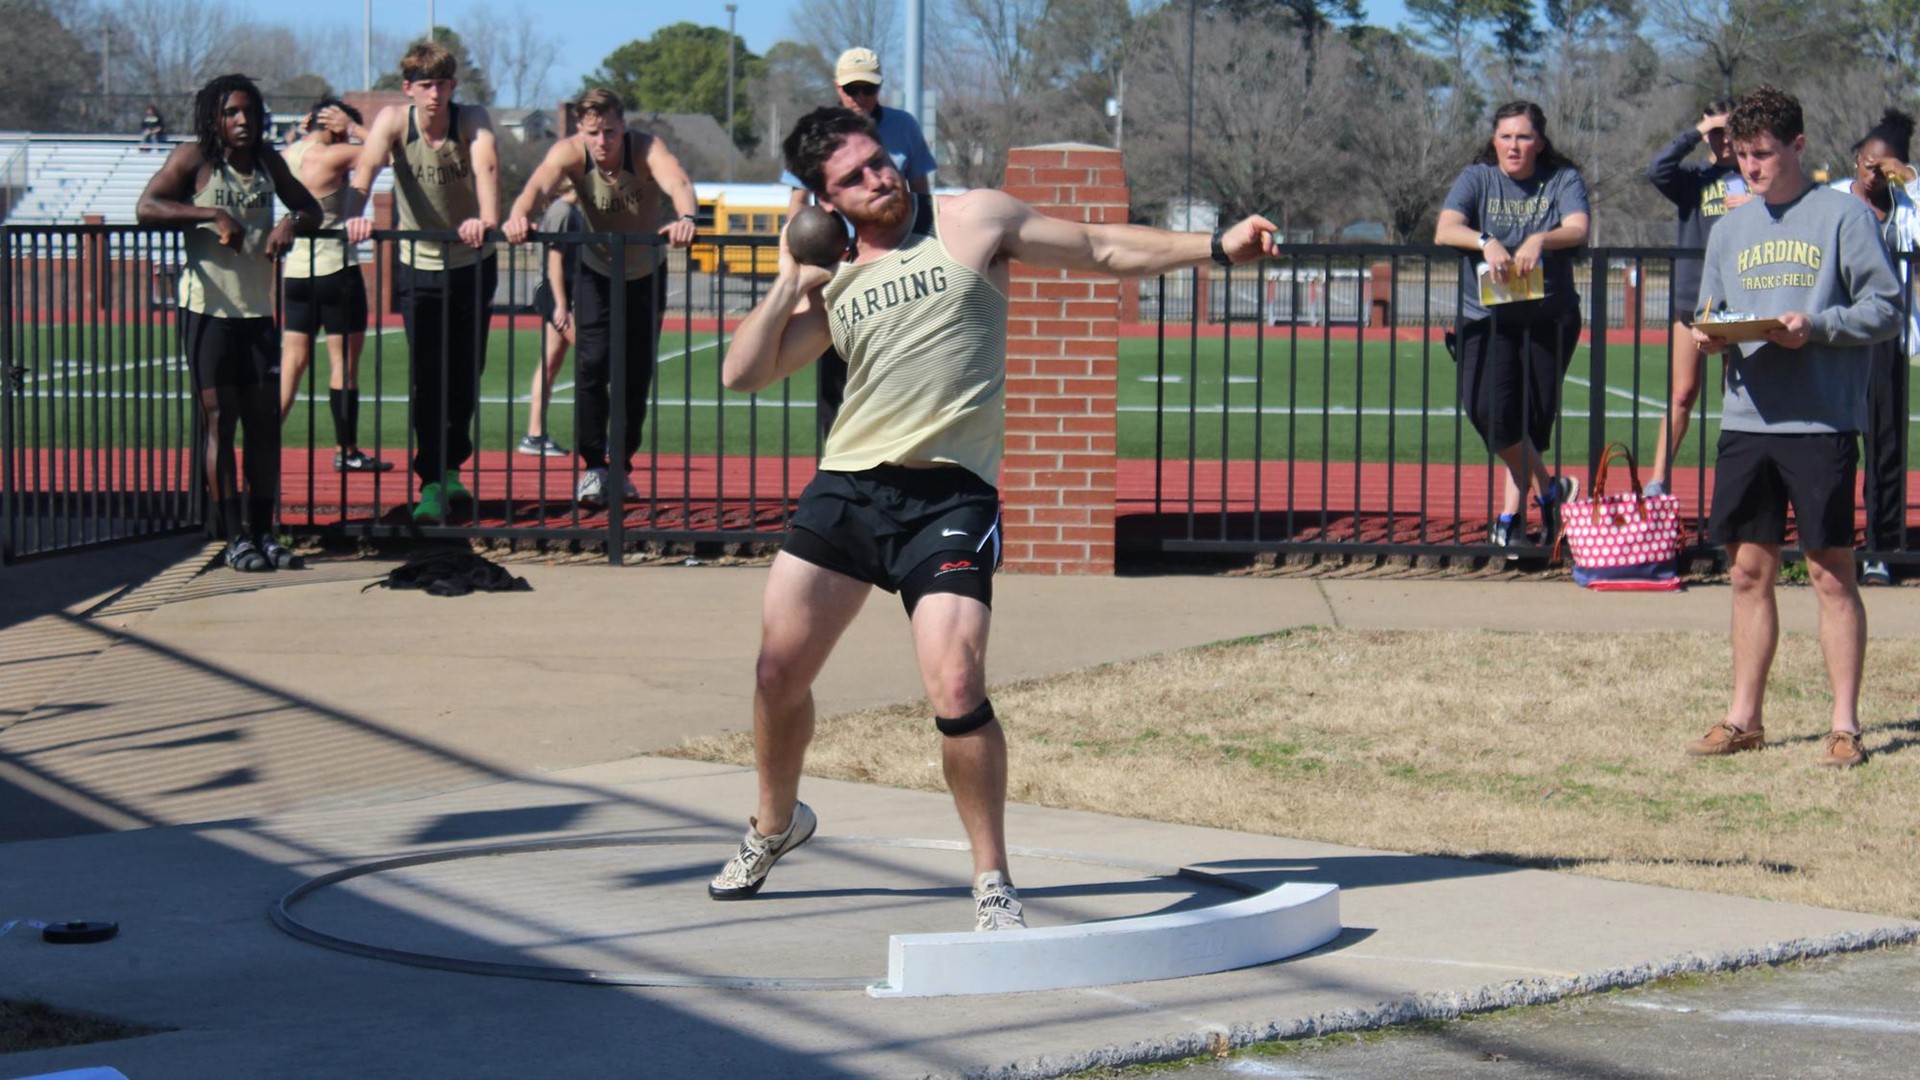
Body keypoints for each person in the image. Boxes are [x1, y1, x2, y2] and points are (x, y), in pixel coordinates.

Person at [706, 106, 1279, 929]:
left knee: (957, 682)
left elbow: (1100, 248)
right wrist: (792, 283)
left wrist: (1217, 247)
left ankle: (992, 880)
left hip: (948, 496)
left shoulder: (971, 219)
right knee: (776, 675)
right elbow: (743, 373)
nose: (881, 178)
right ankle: (774, 825)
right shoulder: (834, 280)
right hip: (848, 489)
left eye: (880, 161)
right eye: (855, 177)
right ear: (821, 198)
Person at [1685, 85, 1901, 769]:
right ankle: (1744, 718)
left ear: (1798, 147)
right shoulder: (1729, 227)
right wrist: (1711, 337)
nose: (1750, 167)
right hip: (1749, 419)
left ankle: (1845, 726)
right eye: (1742, 155)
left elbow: (1886, 309)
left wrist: (1818, 326)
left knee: (1831, 573)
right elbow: (1708, 310)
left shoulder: (1841, 216)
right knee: (1748, 571)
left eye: (1763, 154)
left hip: (1820, 420)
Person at [136, 74, 322, 572]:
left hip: (258, 315)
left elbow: (312, 208)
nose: (244, 122)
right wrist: (210, 214)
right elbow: (146, 208)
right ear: (214, 117)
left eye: (251, 112)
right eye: (233, 113)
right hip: (208, 315)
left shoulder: (268, 161)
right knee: (222, 423)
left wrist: (288, 223)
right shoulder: (192, 159)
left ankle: (266, 532)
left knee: (264, 429)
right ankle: (234, 536)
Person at [503, 88, 698, 509]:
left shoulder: (645, 148)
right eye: (593, 132)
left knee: (635, 372)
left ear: (623, 125)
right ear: (580, 130)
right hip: (596, 272)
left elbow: (677, 179)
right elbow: (537, 187)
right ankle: (593, 466)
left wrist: (686, 217)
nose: (603, 141)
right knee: (591, 365)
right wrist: (520, 216)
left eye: (610, 131)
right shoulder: (570, 153)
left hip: (645, 272)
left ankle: (621, 466)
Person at [345, 40, 501, 524]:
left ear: (454, 87)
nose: (435, 95)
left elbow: (487, 167)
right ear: (409, 88)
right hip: (419, 263)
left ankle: (453, 467)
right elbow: (366, 168)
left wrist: (486, 219)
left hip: (473, 260)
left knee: (465, 373)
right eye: (426, 85)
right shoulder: (395, 120)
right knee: (428, 375)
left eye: (444, 84)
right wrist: (356, 216)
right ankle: (431, 479)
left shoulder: (470, 118)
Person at [1435, 101, 1591, 552]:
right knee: (1487, 410)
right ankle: (1551, 488)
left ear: (1540, 142)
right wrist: (1486, 241)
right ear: (1493, 141)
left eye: (1523, 137)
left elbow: (1578, 227)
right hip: (1487, 318)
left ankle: (1511, 520)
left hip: (1549, 317)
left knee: (1532, 421)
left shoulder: (1563, 179)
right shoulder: (1477, 177)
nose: (1514, 146)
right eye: (1505, 136)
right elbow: (1446, 228)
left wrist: (1541, 237)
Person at [784, 47, 937, 440]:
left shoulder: (904, 127)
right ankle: (838, 460)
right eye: (851, 89)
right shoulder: (818, 135)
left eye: (867, 89)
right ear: (837, 88)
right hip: (839, 269)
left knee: (897, 368)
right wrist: (798, 263)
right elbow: (798, 206)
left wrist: (923, 249)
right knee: (836, 368)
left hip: (895, 265)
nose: (859, 98)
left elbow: (922, 194)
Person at [1828, 109, 1919, 586]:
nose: (1872, 174)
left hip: (1885, 339)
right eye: (1866, 162)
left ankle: (1883, 548)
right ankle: (1835, 542)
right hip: (1837, 335)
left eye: (1884, 168)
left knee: (1885, 447)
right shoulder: (1835, 198)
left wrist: (1912, 181)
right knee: (1837, 443)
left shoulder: (1906, 209)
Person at [279, 98, 390, 474]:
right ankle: (347, 449)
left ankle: (265, 442)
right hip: (335, 266)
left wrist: (301, 126)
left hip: (295, 268)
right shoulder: (336, 154)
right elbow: (387, 153)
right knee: (343, 365)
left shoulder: (288, 153)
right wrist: (356, 130)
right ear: (336, 124)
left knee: (292, 363)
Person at [1645, 98, 1745, 498]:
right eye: (1717, 132)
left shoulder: (1755, 176)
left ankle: (1737, 483)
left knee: (1737, 396)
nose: (1724, 140)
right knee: (1683, 392)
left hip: (1741, 297)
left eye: (1730, 130)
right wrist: (1699, 131)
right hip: (1693, 296)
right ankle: (1657, 482)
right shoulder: (1694, 179)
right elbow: (1657, 169)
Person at [518, 178, 580, 459]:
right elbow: (555, 259)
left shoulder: (570, 211)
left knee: (551, 363)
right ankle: (600, 436)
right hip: (557, 293)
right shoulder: (563, 211)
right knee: (594, 357)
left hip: (562, 292)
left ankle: (534, 434)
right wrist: (561, 304)